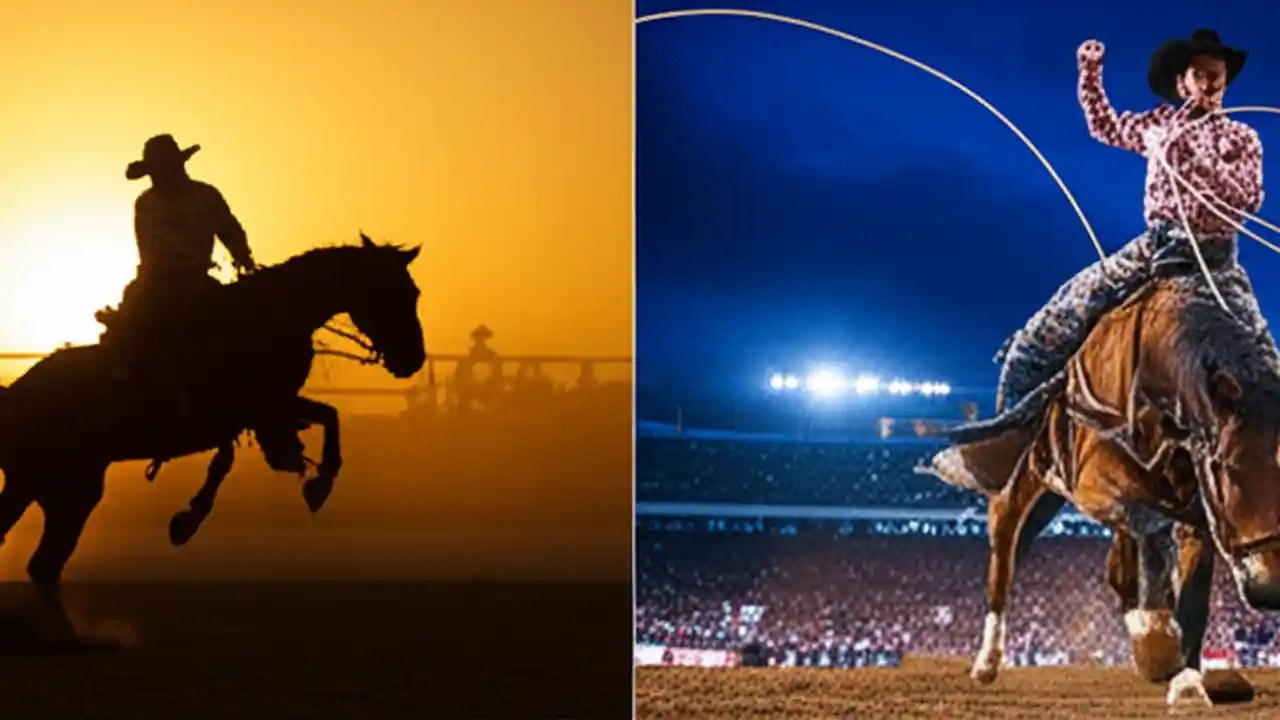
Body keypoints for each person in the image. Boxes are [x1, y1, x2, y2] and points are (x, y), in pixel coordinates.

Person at [992, 30, 1269, 416]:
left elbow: (1249, 198)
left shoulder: (1243, 137)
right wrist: (1090, 71)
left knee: (1261, 359)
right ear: (1181, 82)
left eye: (1217, 75)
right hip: (1155, 248)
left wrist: (1194, 162)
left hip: (1215, 259)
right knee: (1061, 316)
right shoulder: (1158, 124)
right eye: (1201, 74)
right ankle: (1014, 416)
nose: (1210, 82)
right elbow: (1104, 126)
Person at [100, 134, 258, 386]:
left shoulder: (204, 196)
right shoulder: (148, 203)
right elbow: (149, 248)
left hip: (192, 281)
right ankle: (121, 373)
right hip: (158, 284)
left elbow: (230, 230)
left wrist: (242, 256)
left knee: (244, 323)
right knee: (129, 322)